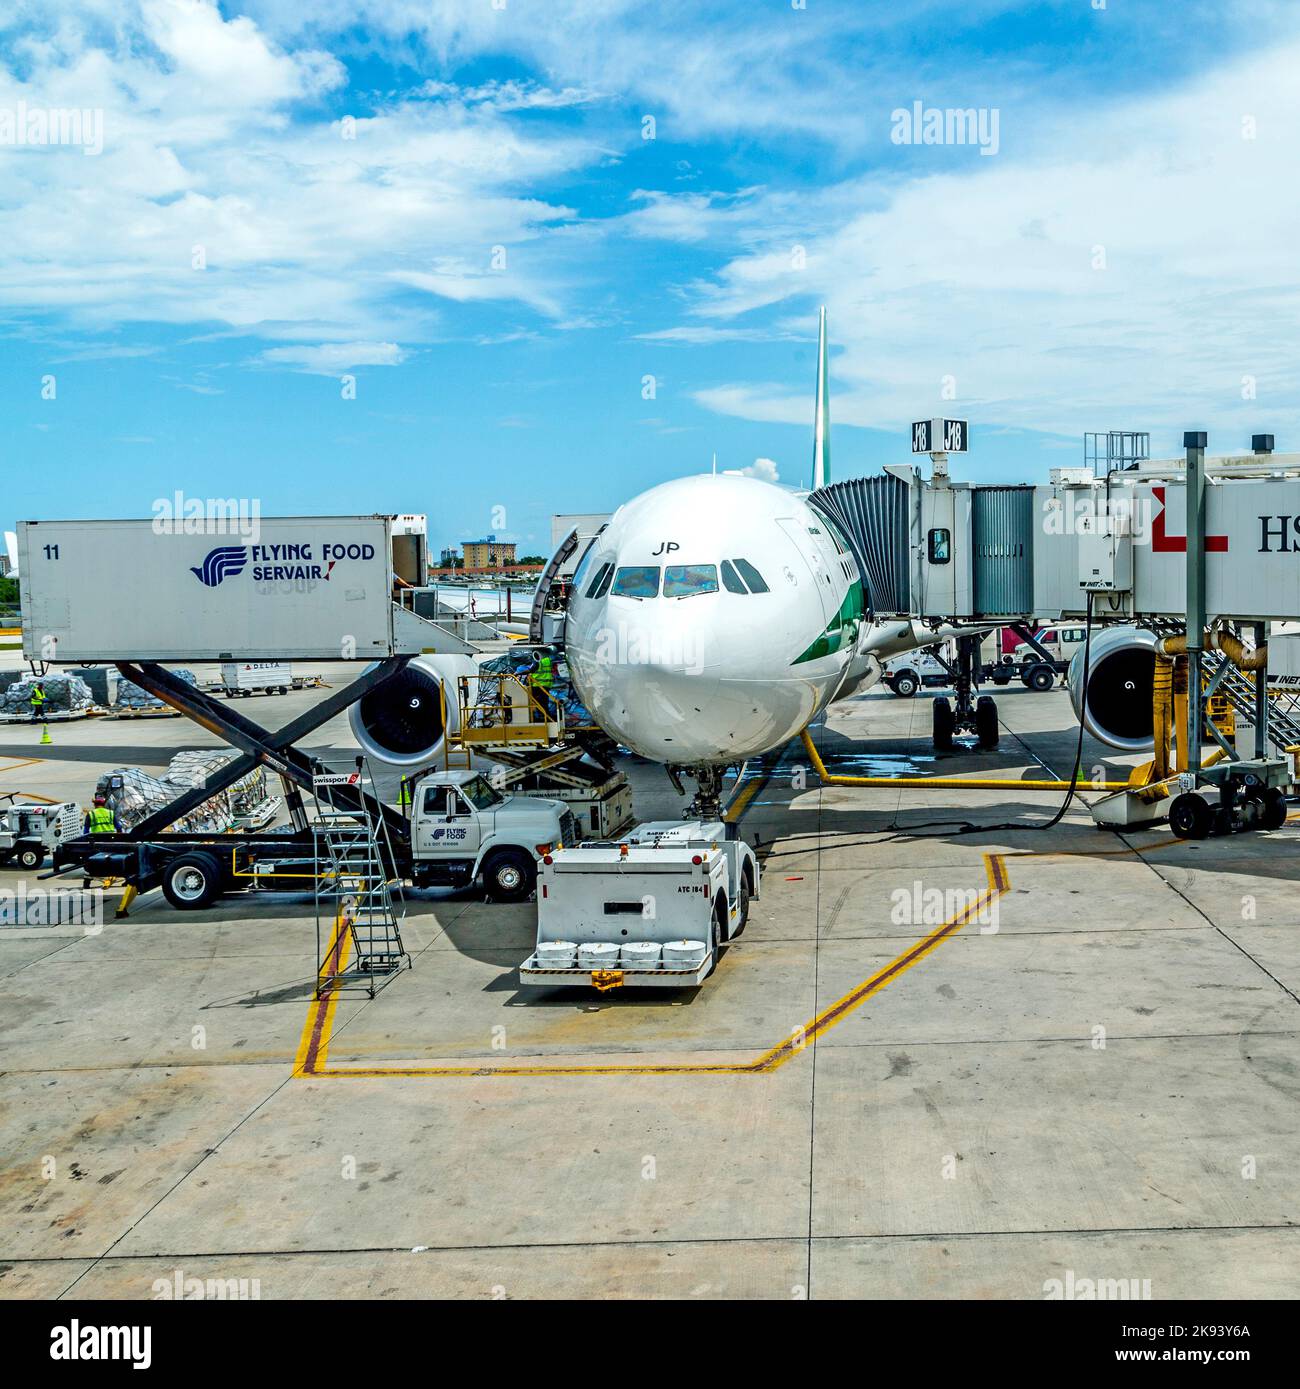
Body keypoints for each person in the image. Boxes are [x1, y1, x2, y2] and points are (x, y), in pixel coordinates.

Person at [529, 647, 556, 719]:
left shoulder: (538, 663)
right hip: (546, 685)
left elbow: (530, 671)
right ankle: (546, 716)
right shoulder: (548, 661)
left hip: (537, 686)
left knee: (537, 701)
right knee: (544, 702)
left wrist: (517, 673)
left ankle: (542, 716)